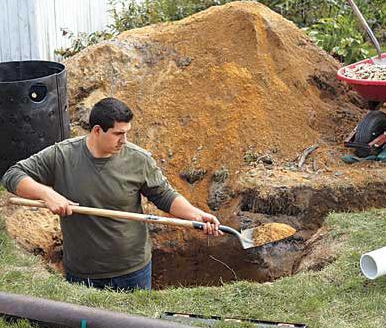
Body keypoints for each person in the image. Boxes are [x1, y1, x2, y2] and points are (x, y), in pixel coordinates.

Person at [2, 97, 222, 291]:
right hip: (82, 273)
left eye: (126, 133)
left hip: (132, 271)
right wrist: (46, 194)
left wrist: (195, 215)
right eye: (118, 134)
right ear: (97, 130)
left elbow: (164, 195)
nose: (124, 141)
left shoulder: (138, 159)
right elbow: (12, 176)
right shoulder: (62, 156)